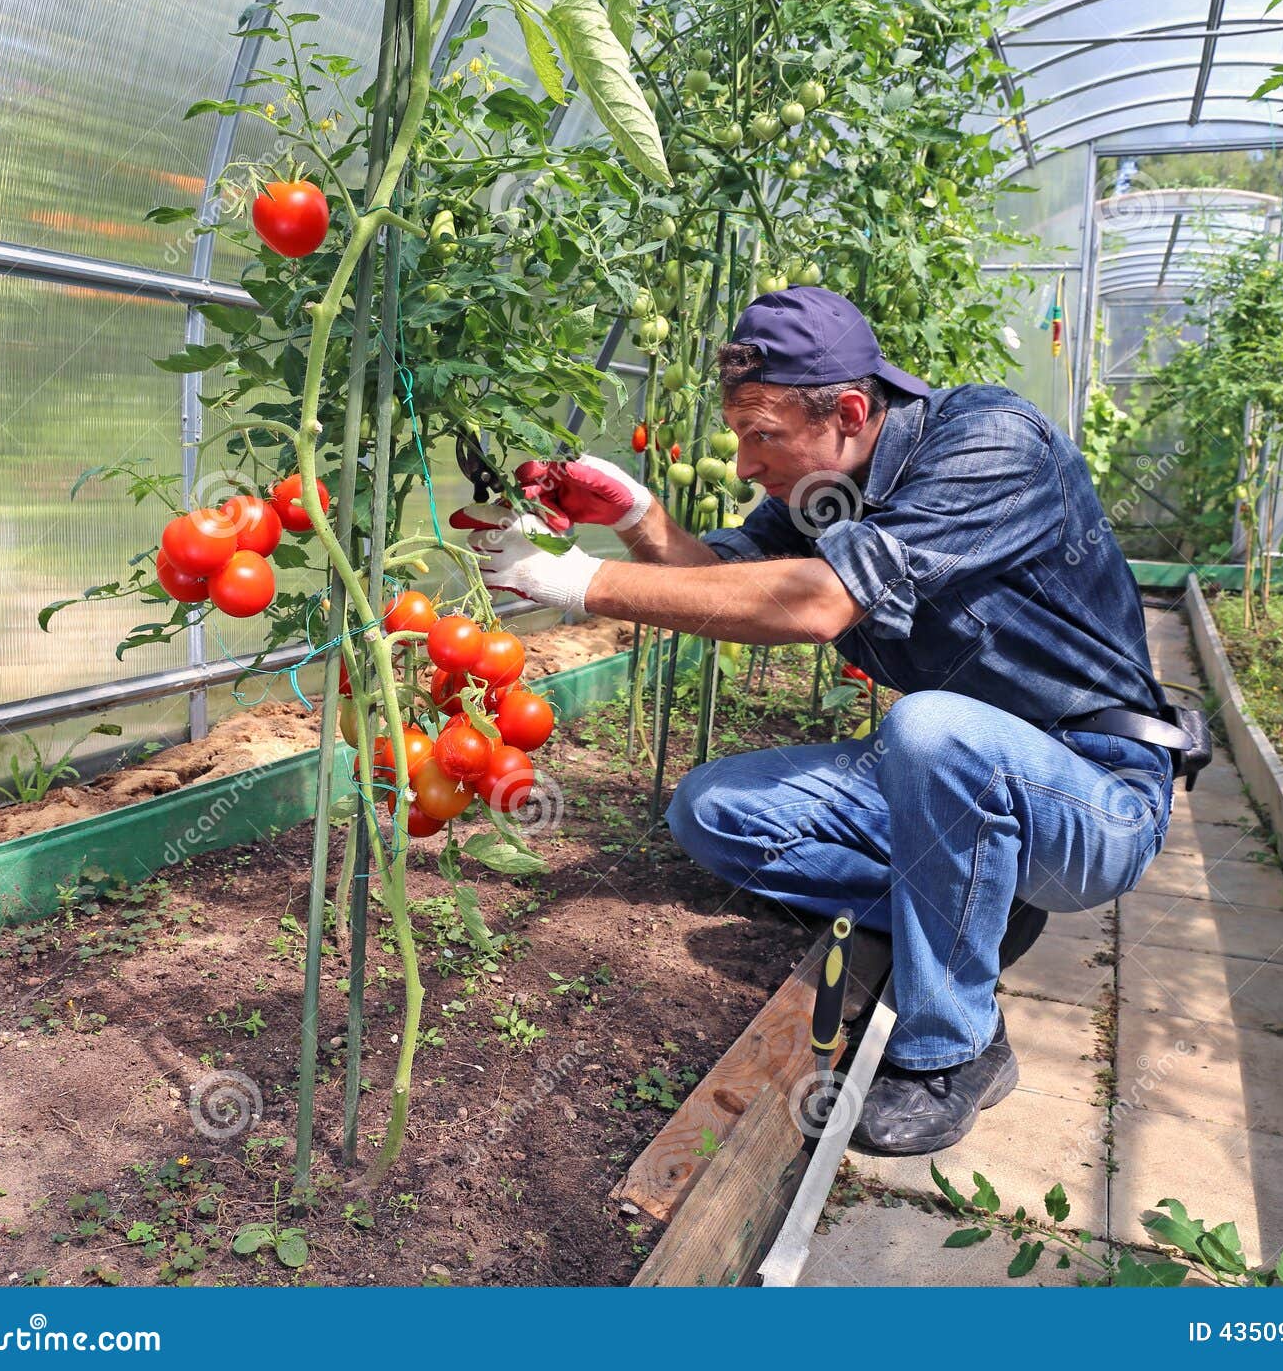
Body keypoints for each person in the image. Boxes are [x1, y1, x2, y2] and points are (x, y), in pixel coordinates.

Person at [457, 285, 1176, 1157]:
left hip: (1093, 790)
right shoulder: (823, 484)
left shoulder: (990, 442)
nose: (747, 463)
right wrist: (639, 519)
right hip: (946, 775)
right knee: (711, 808)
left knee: (931, 728)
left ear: (845, 410)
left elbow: (819, 601)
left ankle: (954, 1049)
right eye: (739, 436)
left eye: (762, 435)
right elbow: (725, 583)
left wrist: (578, 584)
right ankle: (965, 909)